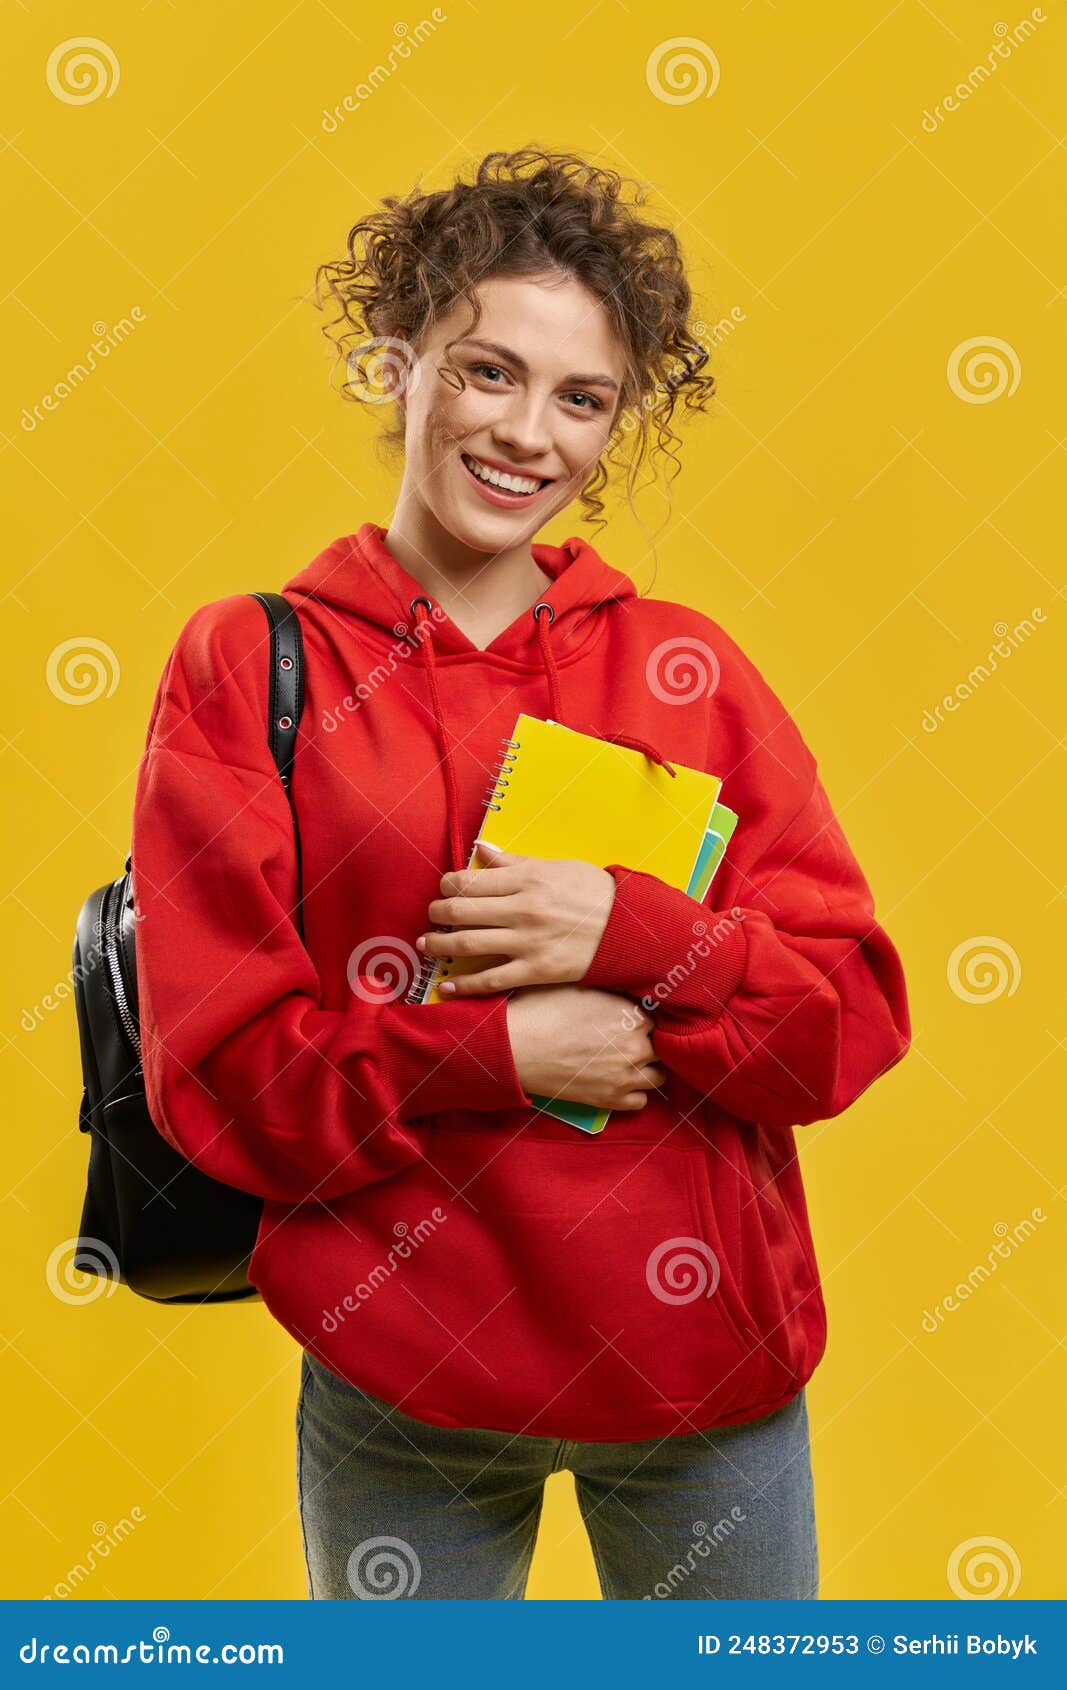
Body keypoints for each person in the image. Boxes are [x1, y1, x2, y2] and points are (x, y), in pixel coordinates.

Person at [130, 148, 911, 1600]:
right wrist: (496, 1048)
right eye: (487, 371)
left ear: (618, 424)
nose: (526, 434)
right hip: (404, 1380)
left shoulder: (687, 669)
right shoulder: (249, 666)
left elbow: (846, 1018)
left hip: (703, 1388)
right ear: (397, 365)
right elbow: (221, 1070)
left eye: (581, 398)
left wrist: (641, 931)